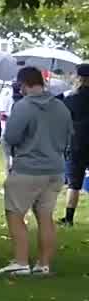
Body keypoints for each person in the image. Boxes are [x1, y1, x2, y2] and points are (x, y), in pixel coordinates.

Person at [0, 65, 73, 276]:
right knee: (46, 216)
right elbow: (68, 136)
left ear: (23, 84)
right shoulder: (61, 107)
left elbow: (11, 137)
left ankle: (21, 261)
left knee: (15, 213)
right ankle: (44, 264)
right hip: (55, 169)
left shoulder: (24, 106)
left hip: (28, 168)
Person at [63, 64, 89, 226]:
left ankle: (69, 218)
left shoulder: (71, 99)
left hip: (77, 143)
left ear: (79, 78)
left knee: (74, 183)